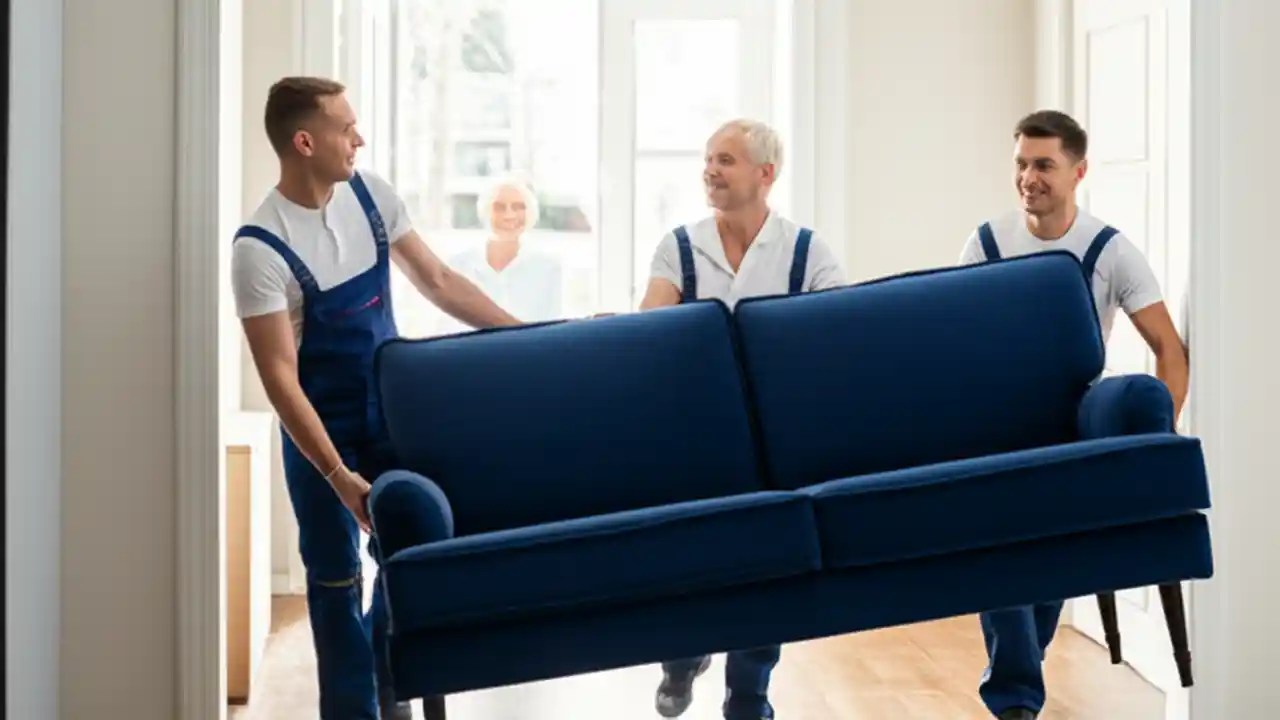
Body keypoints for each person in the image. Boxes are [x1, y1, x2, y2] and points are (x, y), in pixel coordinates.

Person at [231, 76, 521, 720]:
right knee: (334, 580)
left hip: (394, 415)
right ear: (305, 143)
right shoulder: (259, 247)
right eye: (345, 128)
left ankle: (393, 676)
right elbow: (279, 379)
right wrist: (338, 477)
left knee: (410, 557)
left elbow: (439, 280)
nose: (358, 138)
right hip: (318, 431)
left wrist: (526, 336)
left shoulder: (370, 197)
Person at [958, 109, 1189, 720]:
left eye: (1044, 165)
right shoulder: (986, 244)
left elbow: (1169, 349)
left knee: (1051, 551)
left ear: (1078, 171)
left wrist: (1157, 441)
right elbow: (956, 337)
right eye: (1021, 164)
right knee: (1000, 544)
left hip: (1074, 423)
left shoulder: (1109, 251)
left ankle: (1018, 672)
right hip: (996, 420)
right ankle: (1015, 696)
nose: (1028, 178)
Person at [639, 118, 846, 720]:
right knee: (688, 548)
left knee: (767, 563)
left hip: (776, 435)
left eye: (725, 160)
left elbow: (838, 336)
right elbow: (652, 328)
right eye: (708, 159)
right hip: (694, 430)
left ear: (765, 173)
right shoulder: (680, 247)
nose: (710, 170)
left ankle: (748, 695)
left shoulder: (806, 252)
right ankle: (682, 655)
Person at [436, 175, 564, 334]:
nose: (509, 215)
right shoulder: (458, 265)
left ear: (531, 213)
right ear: (484, 212)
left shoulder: (549, 268)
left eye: (519, 207)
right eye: (499, 207)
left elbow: (552, 330)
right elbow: (445, 328)